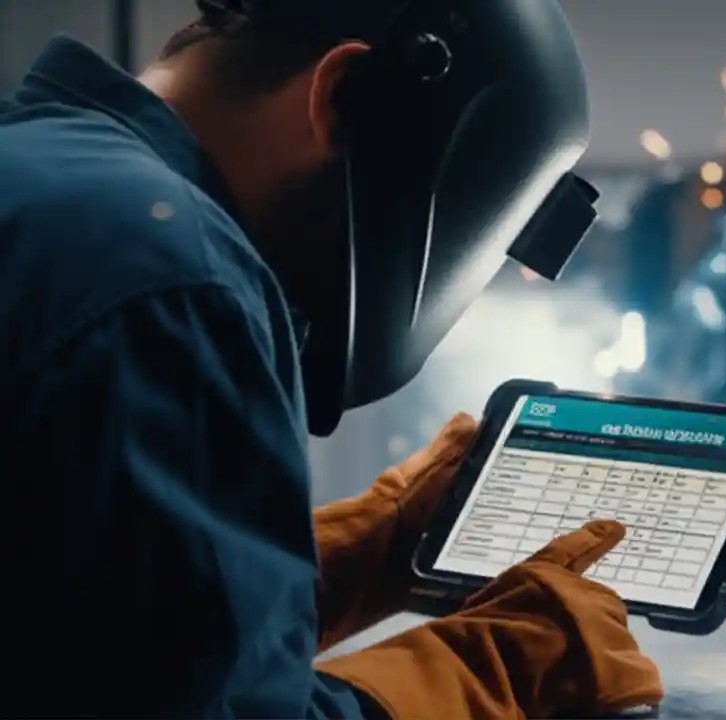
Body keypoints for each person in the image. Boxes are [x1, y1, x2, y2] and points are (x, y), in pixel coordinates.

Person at [0, 0, 662, 717]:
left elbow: (83, 628)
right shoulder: (175, 276)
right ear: (346, 98)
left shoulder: (45, 184)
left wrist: (371, 550)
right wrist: (503, 665)